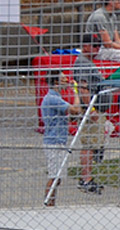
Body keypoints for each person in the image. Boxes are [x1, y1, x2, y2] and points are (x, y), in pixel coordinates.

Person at [71, 34, 108, 194]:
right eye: (95, 46)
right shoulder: (82, 63)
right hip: (92, 111)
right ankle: (86, 179)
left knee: (93, 145)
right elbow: (83, 88)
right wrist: (91, 110)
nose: (97, 49)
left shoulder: (88, 62)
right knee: (89, 145)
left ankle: (88, 177)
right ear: (86, 46)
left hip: (97, 110)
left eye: (99, 46)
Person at [41, 71, 82, 207]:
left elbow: (70, 115)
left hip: (59, 141)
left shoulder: (57, 98)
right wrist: (76, 92)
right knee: (54, 176)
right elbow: (75, 109)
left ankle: (52, 202)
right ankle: (48, 203)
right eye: (64, 79)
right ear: (56, 82)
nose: (67, 81)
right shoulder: (52, 98)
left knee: (58, 177)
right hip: (54, 142)